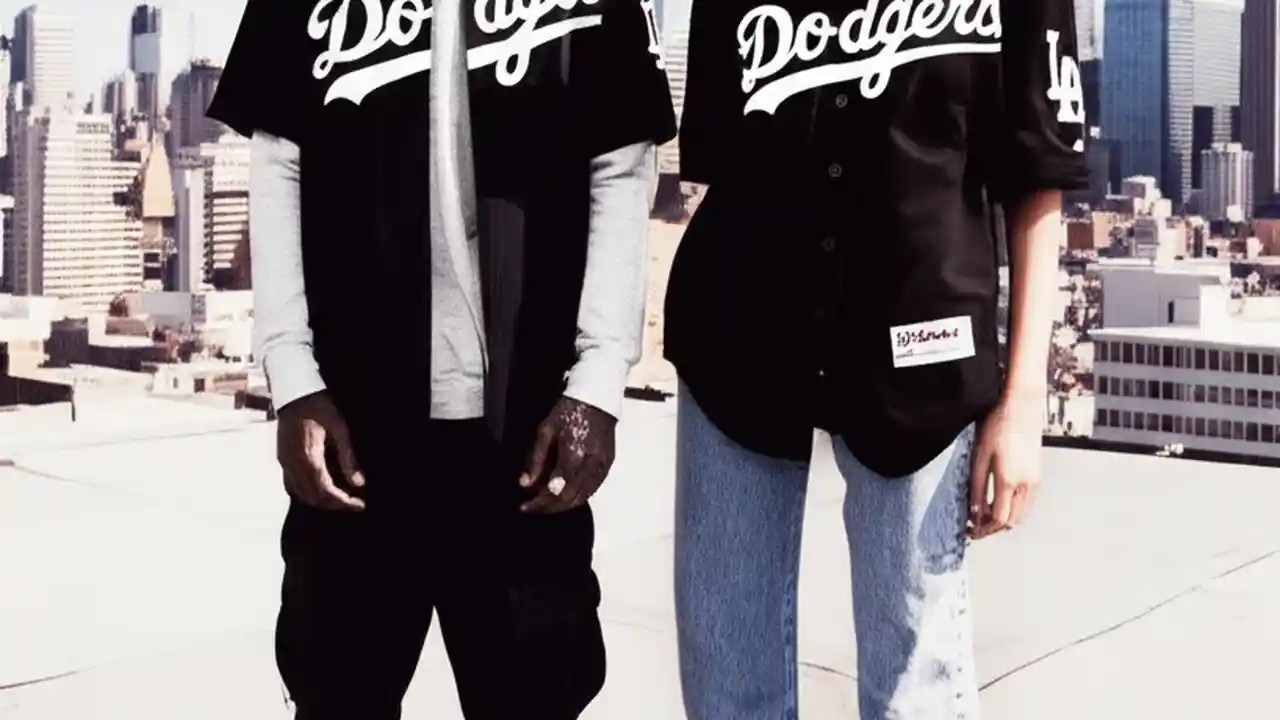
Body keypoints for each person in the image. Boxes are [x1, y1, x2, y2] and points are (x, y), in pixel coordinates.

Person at [207, 1, 675, 717]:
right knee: (336, 694)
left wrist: (597, 386)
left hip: (530, 435)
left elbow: (618, 166)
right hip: (354, 431)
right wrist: (294, 381)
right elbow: (278, 159)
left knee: (537, 696)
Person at [664, 0, 1089, 718]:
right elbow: (717, 153)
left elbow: (1038, 173)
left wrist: (1022, 406)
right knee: (726, 682)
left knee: (915, 687)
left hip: (924, 343)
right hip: (739, 337)